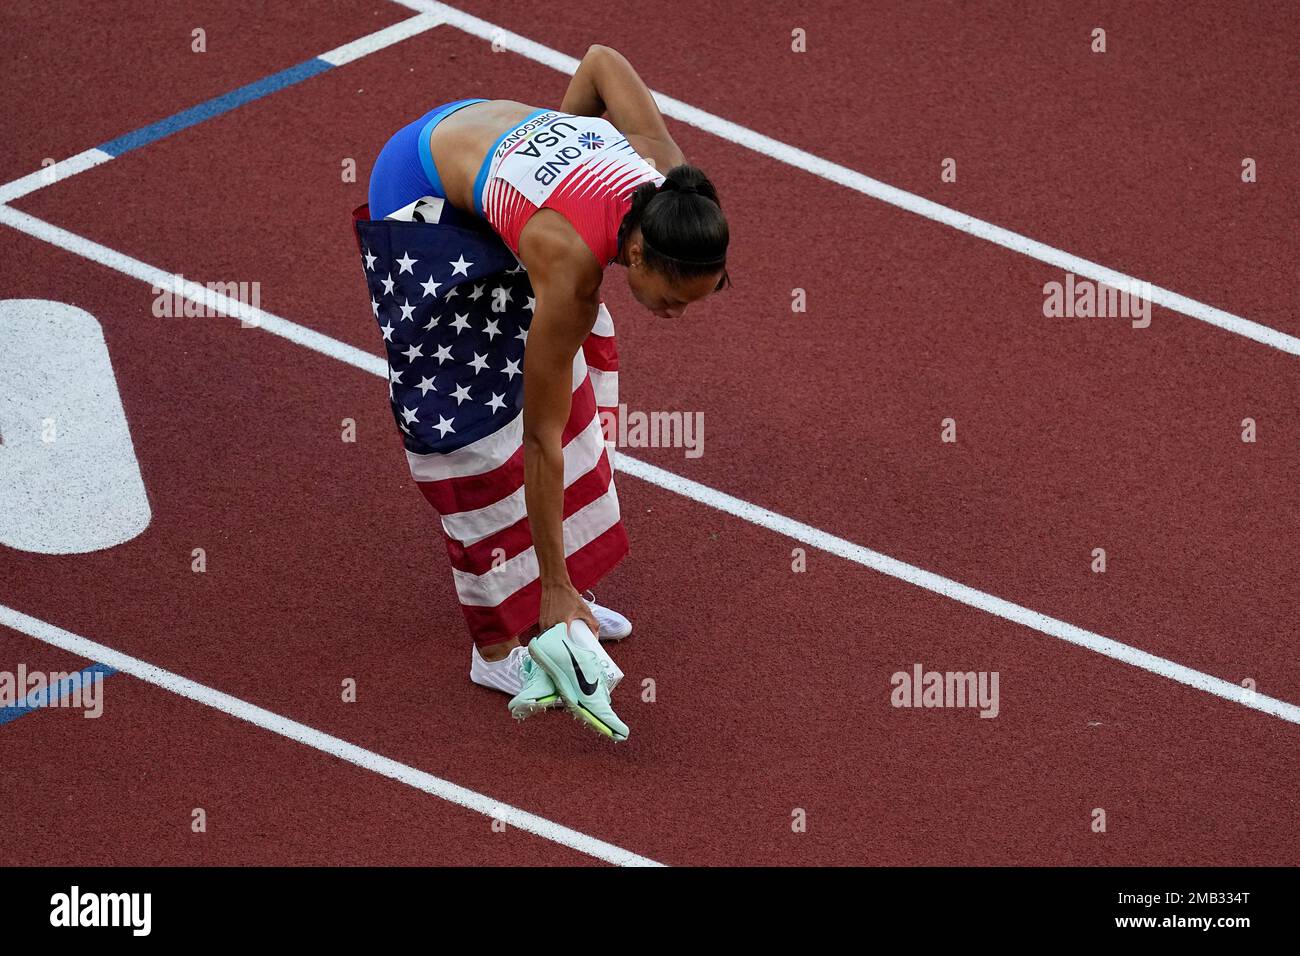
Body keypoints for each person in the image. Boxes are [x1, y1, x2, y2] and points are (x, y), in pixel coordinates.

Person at [357, 44, 730, 740]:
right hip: (418, 188)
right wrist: (552, 591)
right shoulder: (571, 266)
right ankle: (496, 647)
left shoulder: (667, 178)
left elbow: (602, 63)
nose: (678, 316)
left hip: (476, 138)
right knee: (480, 421)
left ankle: (559, 590)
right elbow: (540, 439)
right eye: (674, 299)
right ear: (639, 253)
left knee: (580, 360)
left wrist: (535, 190)